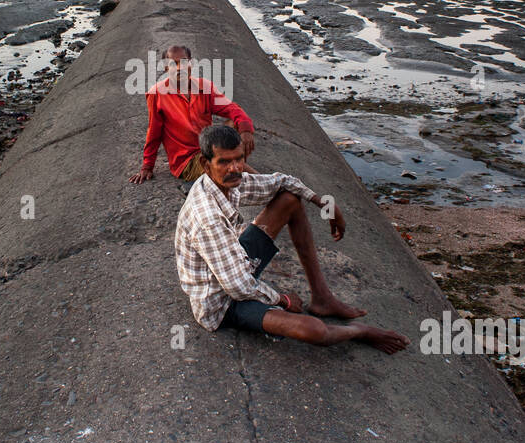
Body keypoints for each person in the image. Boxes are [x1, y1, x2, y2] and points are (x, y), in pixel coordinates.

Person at [173, 125, 409, 354]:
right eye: (224, 162)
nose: (235, 168)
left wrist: (325, 203)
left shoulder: (227, 182)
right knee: (313, 331)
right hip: (223, 302)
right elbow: (239, 288)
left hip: (234, 264)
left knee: (289, 200)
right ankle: (359, 331)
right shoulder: (208, 219)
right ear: (206, 164)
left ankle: (322, 297)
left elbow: (283, 182)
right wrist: (283, 300)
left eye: (239, 159)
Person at [129, 45, 255, 184]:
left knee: (236, 122)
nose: (179, 68)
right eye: (172, 64)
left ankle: (239, 165)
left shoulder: (205, 86)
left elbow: (232, 108)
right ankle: (265, 182)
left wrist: (246, 131)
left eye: (183, 62)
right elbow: (154, 131)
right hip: (187, 159)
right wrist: (147, 166)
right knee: (222, 166)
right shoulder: (157, 93)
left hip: (209, 145)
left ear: (191, 64)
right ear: (165, 68)